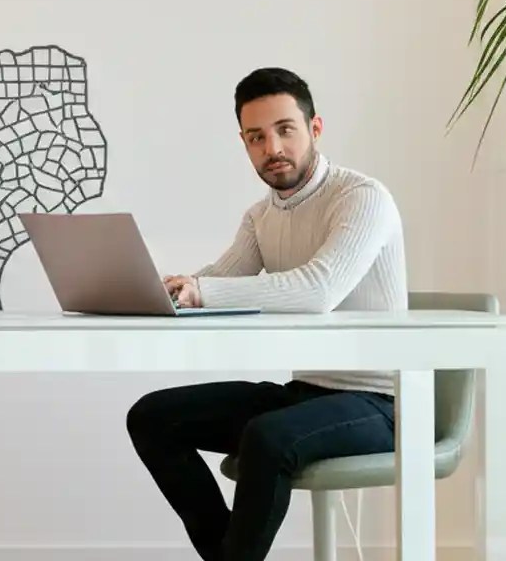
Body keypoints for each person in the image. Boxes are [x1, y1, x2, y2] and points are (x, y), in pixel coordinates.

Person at [125, 67, 407, 561]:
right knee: (151, 417)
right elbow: (219, 278)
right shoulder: (261, 216)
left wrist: (200, 291)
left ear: (315, 129)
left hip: (382, 403)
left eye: (285, 130)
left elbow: (318, 289)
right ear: (244, 142)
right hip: (307, 394)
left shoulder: (362, 198)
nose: (271, 147)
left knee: (266, 438)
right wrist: (159, 290)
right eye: (256, 137)